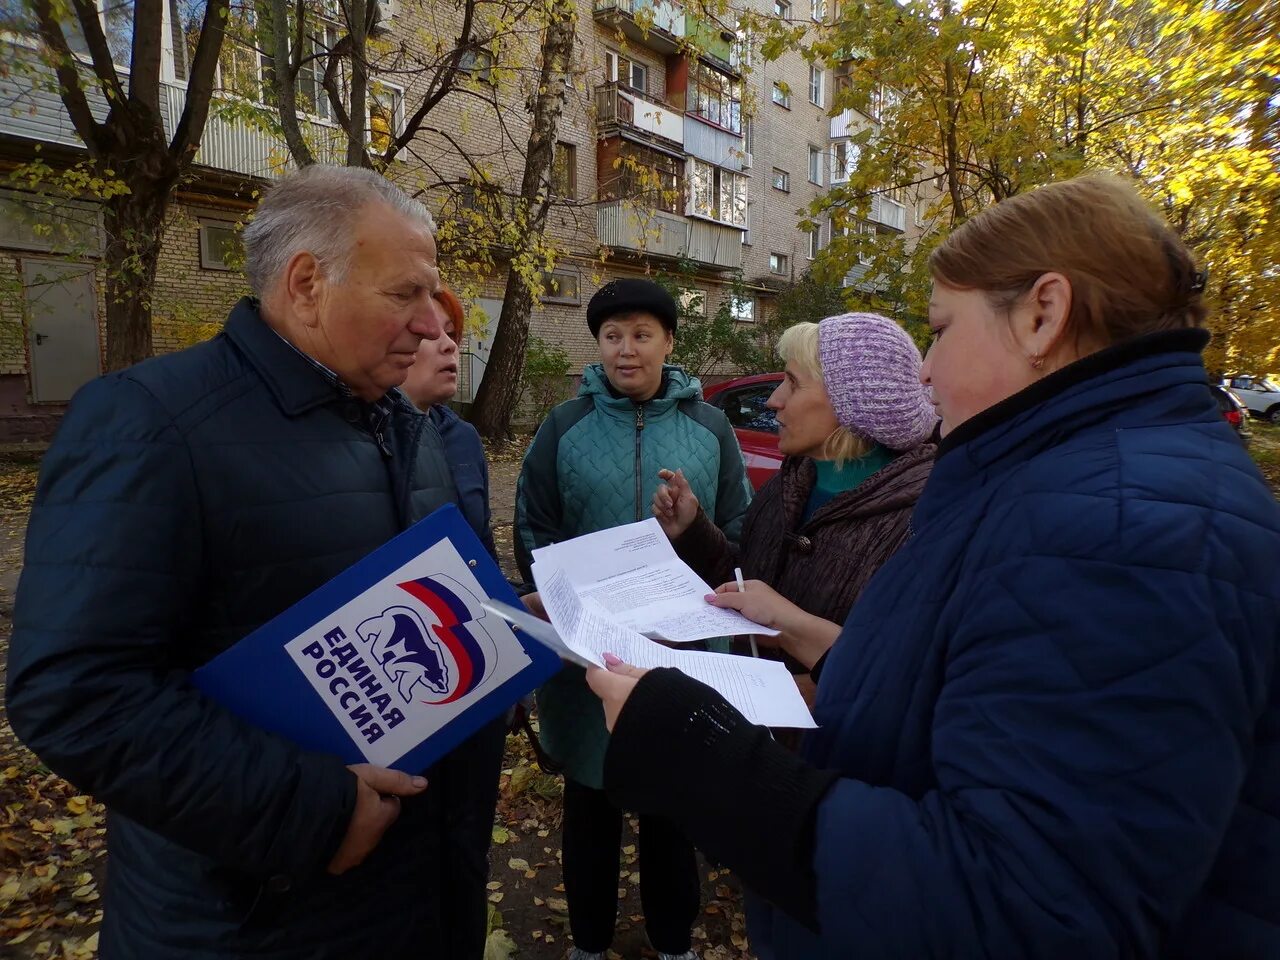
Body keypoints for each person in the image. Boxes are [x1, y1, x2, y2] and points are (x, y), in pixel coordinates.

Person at [586, 173, 1280, 958]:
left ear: (1043, 315)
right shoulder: (1072, 487)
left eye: (941, 330)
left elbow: (1020, 908)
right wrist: (815, 642)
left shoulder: (1123, 527)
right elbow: (957, 683)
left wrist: (698, 752)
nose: (921, 373)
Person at [6, 166, 502, 958]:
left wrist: (505, 623)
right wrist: (313, 809)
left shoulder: (409, 426)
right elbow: (76, 692)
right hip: (248, 923)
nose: (431, 320)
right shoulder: (153, 423)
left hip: (418, 897)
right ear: (306, 285)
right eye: (405, 294)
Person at [514, 277, 753, 960]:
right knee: (590, 806)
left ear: (669, 342)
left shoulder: (710, 429)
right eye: (612, 336)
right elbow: (533, 528)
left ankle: (673, 943)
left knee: (671, 809)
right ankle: (589, 943)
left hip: (683, 649)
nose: (626, 350)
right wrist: (569, 598)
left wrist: (696, 534)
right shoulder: (565, 426)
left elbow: (739, 531)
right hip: (590, 654)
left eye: (642, 334)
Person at [652, 313, 935, 685]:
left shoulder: (919, 521)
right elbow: (750, 585)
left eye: (793, 382)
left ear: (850, 403)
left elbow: (904, 671)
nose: (773, 400)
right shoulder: (789, 484)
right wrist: (692, 531)